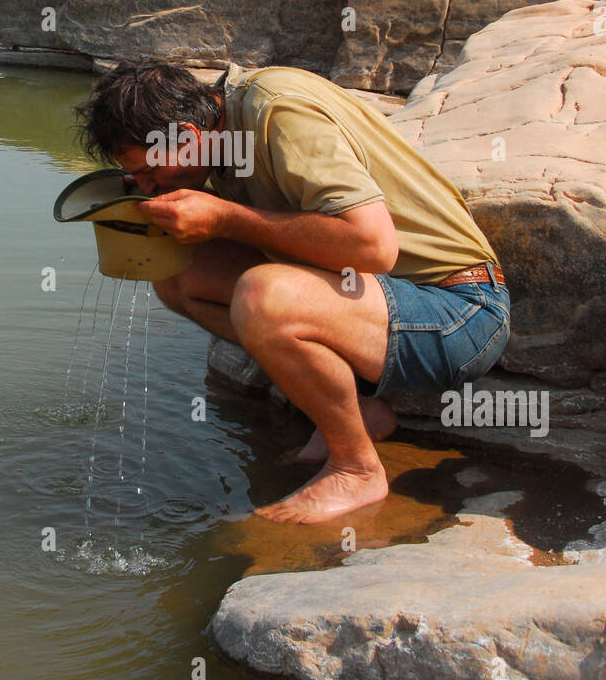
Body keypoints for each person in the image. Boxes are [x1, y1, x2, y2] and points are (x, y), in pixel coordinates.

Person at [75, 60, 510, 525]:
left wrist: (225, 218)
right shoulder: (221, 135)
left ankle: (356, 468)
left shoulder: (277, 111)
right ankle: (355, 412)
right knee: (178, 273)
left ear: (185, 136)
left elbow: (373, 246)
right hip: (376, 303)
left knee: (264, 297)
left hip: (458, 311)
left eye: (148, 172)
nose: (144, 186)